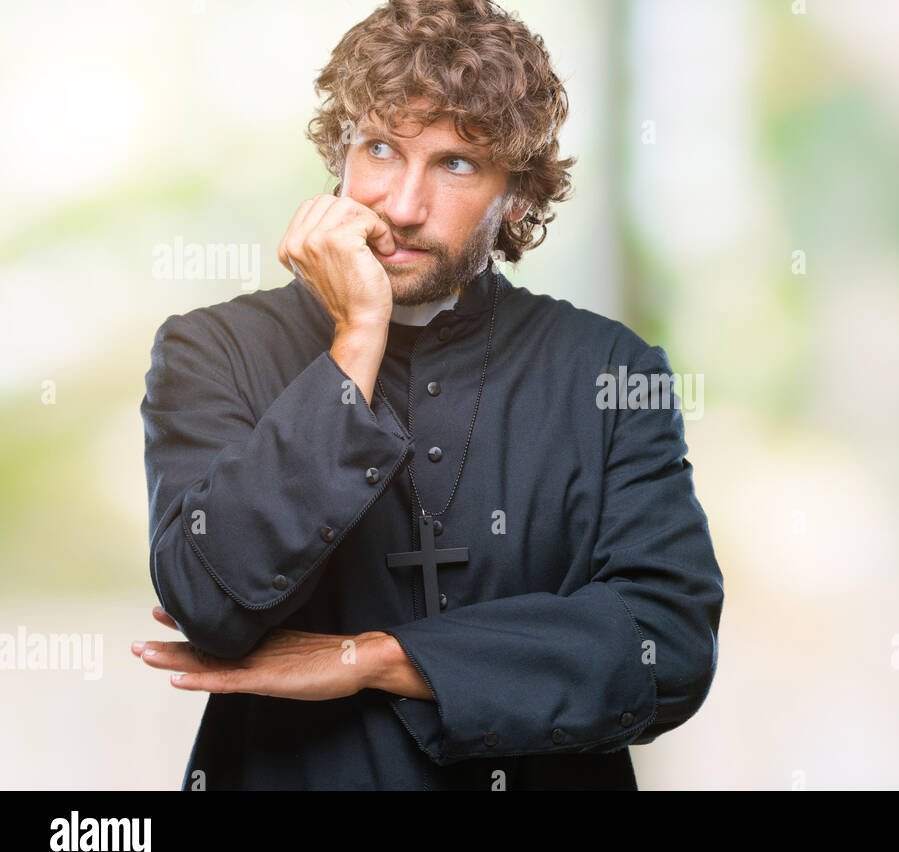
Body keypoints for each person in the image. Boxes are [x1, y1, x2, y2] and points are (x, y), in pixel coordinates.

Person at [134, 0, 723, 790]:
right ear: (340, 154)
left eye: (455, 164)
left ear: (516, 194)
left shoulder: (612, 371)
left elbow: (667, 642)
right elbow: (210, 600)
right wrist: (357, 338)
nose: (402, 207)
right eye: (380, 148)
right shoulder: (210, 350)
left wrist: (377, 657)